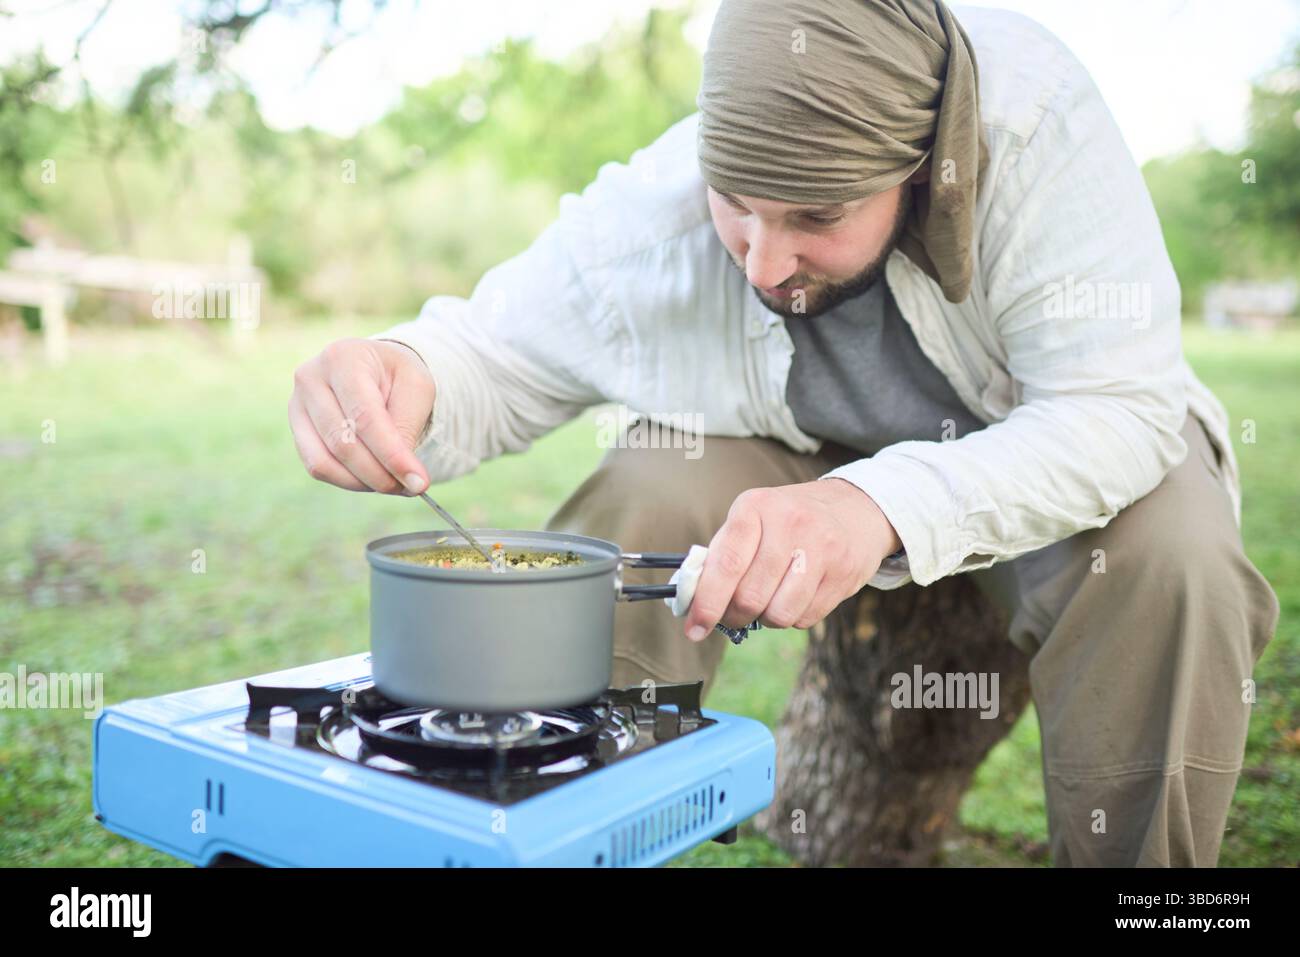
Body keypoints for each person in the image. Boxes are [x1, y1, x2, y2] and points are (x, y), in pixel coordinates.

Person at [287, 1, 1279, 866]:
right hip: (793, 447)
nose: (764, 263)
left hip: (1037, 445)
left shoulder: (1036, 128)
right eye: (736, 208)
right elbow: (490, 353)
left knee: (1174, 559)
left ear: (915, 168)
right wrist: (400, 372)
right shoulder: (667, 195)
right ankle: (561, 822)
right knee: (646, 484)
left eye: (815, 216)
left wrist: (875, 507)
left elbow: (1116, 408)